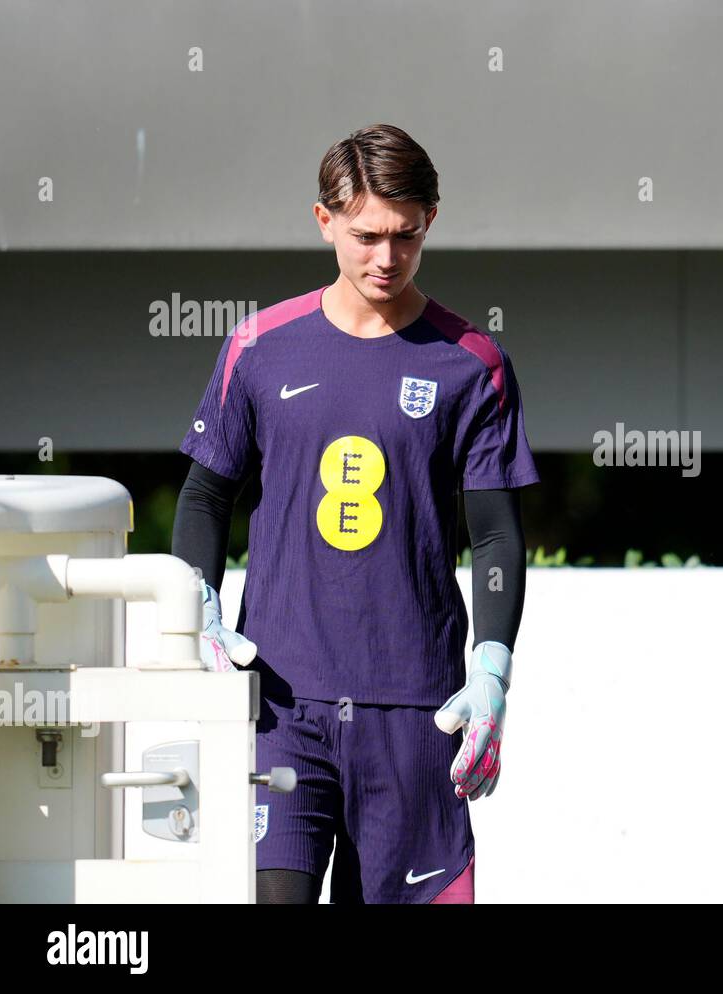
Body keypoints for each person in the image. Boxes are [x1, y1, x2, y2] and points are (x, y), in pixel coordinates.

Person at [171, 124, 539, 904]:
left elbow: (497, 530)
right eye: (366, 234)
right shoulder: (259, 346)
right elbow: (206, 494)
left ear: (430, 221)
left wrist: (494, 671)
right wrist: (195, 608)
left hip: (416, 707)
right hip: (280, 699)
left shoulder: (471, 362)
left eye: (405, 236)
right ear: (323, 220)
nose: (386, 257)